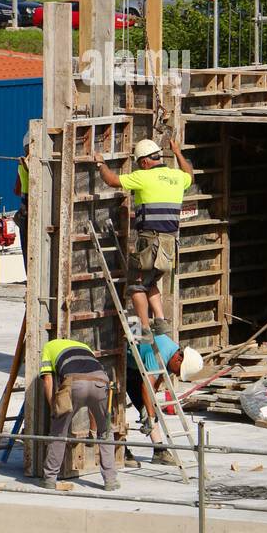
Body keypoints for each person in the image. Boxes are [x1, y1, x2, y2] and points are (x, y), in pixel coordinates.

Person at [94, 136, 193, 342]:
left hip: (150, 242)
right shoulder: (177, 177)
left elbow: (112, 180)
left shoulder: (143, 177)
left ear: (145, 162)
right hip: (169, 245)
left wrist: (101, 163)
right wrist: (177, 152)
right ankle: (160, 319)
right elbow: (190, 174)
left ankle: (145, 329)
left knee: (136, 285)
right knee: (151, 281)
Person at [39, 337, 119, 491]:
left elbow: (47, 381)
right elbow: (91, 400)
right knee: (106, 432)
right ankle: (110, 481)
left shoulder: (49, 346)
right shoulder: (84, 346)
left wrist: (54, 410)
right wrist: (92, 430)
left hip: (74, 382)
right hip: (101, 382)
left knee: (58, 434)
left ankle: (49, 479)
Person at [126, 338, 203, 467]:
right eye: (178, 371)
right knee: (116, 406)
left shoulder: (171, 356)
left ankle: (159, 451)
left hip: (136, 366)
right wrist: (149, 415)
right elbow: (147, 385)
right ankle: (121, 449)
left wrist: (148, 406)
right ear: (178, 359)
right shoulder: (159, 354)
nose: (176, 374)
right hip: (121, 360)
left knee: (150, 407)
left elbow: (156, 382)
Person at [13, 134, 30, 275]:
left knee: (26, 245)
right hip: (31, 203)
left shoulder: (22, 165)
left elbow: (16, 190)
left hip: (25, 203)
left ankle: (29, 277)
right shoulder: (26, 165)